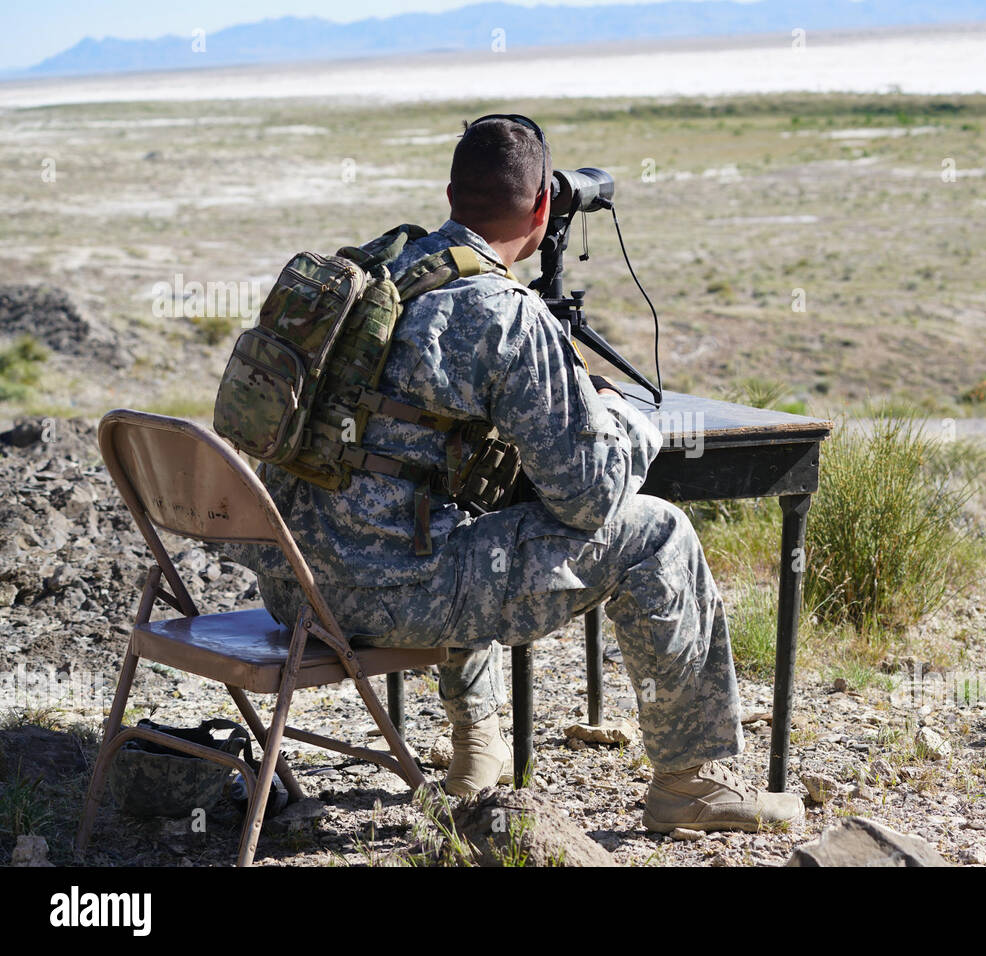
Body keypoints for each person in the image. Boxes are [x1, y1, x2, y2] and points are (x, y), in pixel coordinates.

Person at [232, 114, 802, 834]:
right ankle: (690, 787)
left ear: (448, 194)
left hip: (293, 587)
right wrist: (628, 420)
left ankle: (479, 744)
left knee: (451, 515)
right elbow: (590, 495)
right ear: (543, 211)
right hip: (386, 598)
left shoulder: (376, 272)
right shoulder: (504, 312)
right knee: (657, 533)